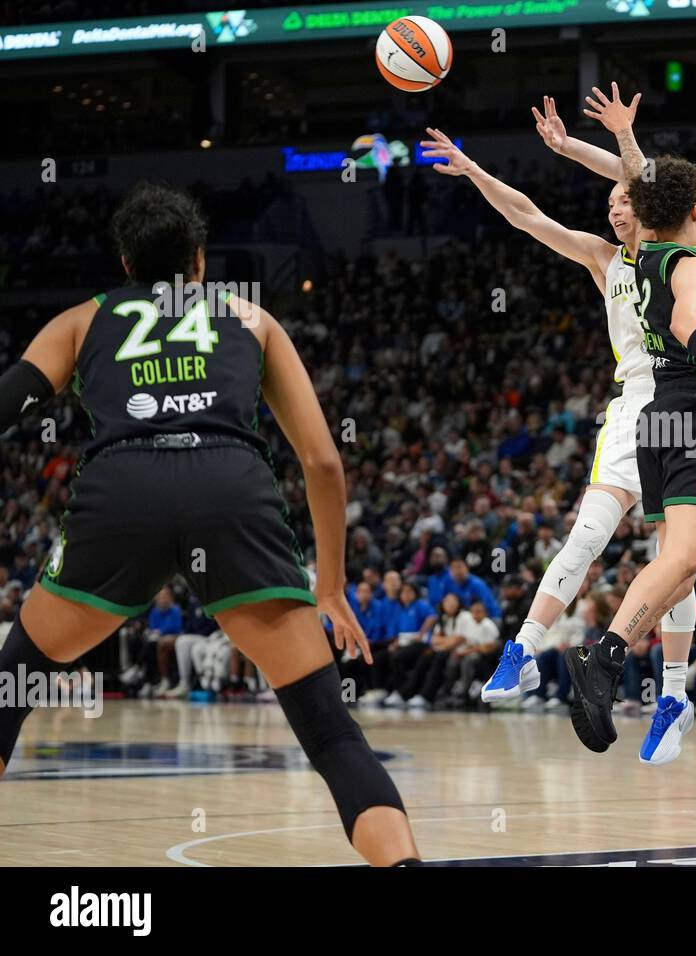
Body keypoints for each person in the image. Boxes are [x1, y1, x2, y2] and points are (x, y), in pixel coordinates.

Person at [0, 183, 419, 865]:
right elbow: (323, 463)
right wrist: (333, 587)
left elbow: (10, 400)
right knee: (331, 733)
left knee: (9, 685)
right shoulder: (251, 320)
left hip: (122, 491)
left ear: (127, 265)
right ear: (199, 261)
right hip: (230, 490)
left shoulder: (83, 320)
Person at [418, 109, 696, 704]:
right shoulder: (605, 259)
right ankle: (523, 648)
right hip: (630, 409)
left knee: (674, 559)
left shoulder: (671, 247)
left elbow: (646, 177)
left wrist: (581, 144)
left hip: (685, 401)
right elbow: (528, 217)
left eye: (624, 200)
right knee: (586, 535)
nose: (615, 208)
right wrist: (473, 170)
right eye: (610, 204)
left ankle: (674, 694)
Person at [564, 84, 696, 765]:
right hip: (692, 407)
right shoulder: (688, 262)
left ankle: (643, 678)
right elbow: (688, 324)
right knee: (685, 560)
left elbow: (640, 186)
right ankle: (606, 656)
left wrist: (622, 143)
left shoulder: (641, 255)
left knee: (676, 564)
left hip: (654, 417)